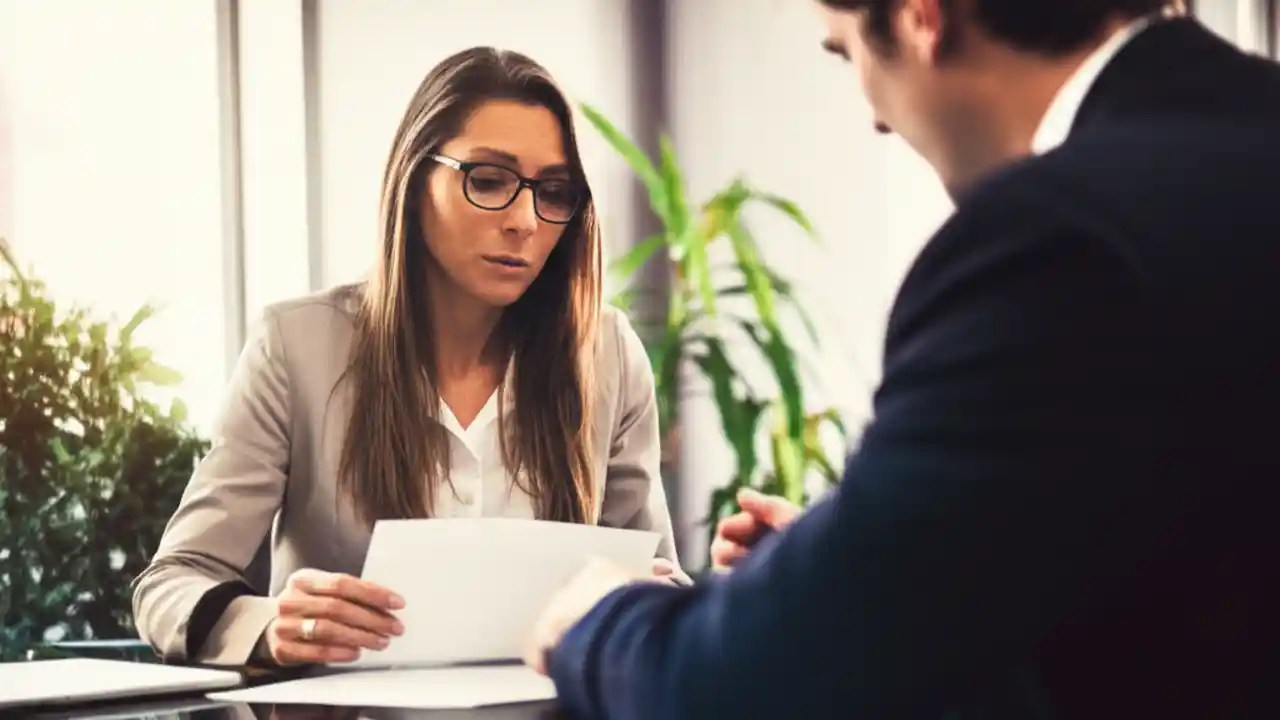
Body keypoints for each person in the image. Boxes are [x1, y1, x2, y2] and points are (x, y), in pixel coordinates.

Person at [526, 1, 1280, 717]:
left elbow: (742, 690)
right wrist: (874, 560)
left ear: (924, 18)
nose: (877, 117)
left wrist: (599, 615)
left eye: (846, 51)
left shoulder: (1051, 239)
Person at [133, 46, 684, 668]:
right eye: (490, 180)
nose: (526, 221)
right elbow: (172, 583)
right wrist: (269, 626)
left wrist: (676, 602)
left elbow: (655, 579)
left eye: (552, 191)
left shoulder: (606, 354)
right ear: (416, 183)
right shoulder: (297, 346)